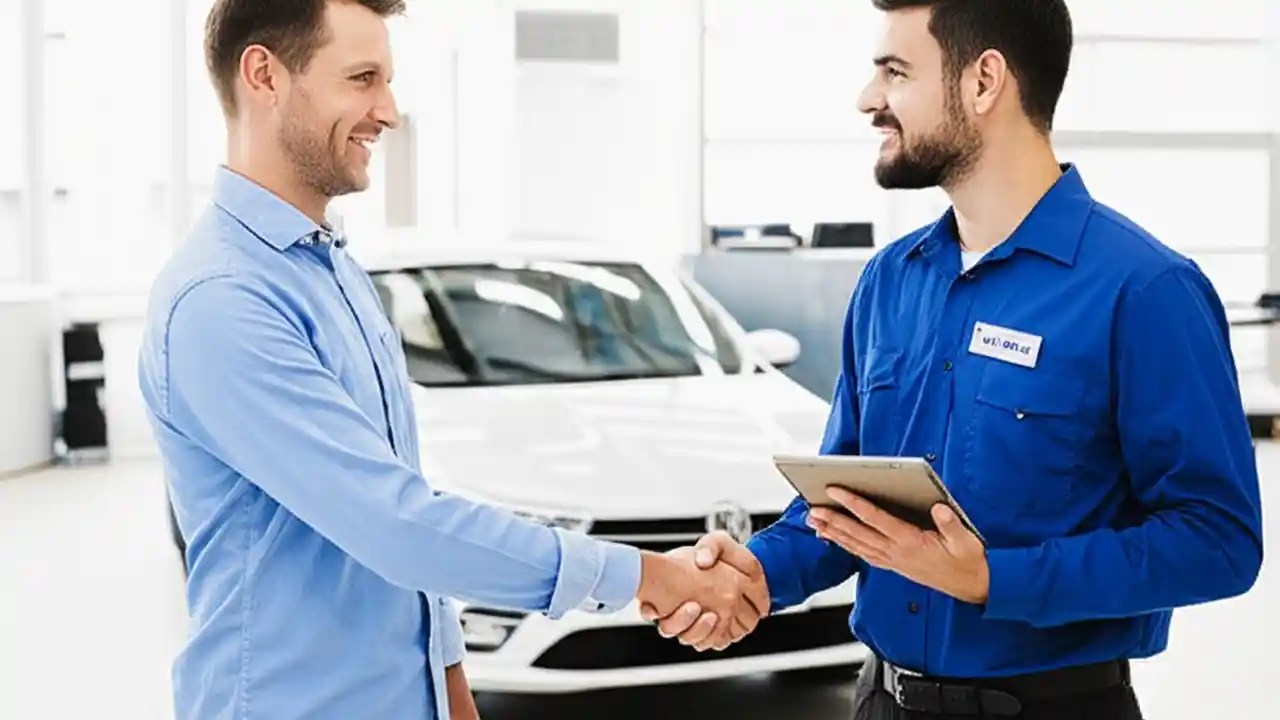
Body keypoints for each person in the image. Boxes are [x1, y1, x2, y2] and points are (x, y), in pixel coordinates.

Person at [136, 1, 765, 718]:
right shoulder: (222, 299)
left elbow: (405, 498)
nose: (388, 112)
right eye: (363, 79)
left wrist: (448, 681)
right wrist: (649, 575)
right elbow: (394, 523)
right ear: (264, 76)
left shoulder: (333, 270)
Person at [646, 1, 1265, 718]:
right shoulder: (889, 281)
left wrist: (994, 579)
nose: (869, 99)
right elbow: (849, 506)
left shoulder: (1145, 290)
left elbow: (1218, 541)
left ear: (983, 81)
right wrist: (755, 572)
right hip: (881, 703)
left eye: (896, 72)